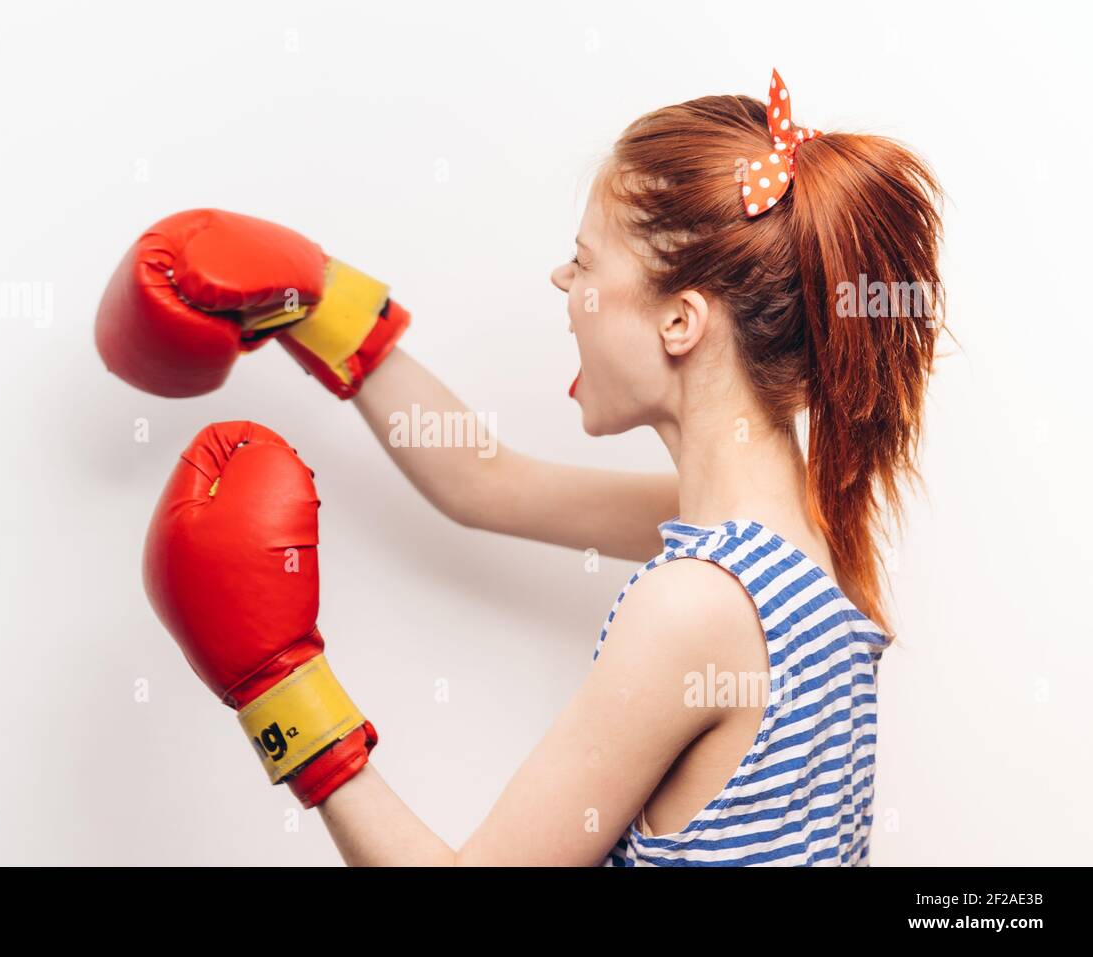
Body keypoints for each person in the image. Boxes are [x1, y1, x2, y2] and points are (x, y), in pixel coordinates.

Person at [103, 69, 944, 866]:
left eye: (585, 262)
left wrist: (279, 691)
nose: (560, 279)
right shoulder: (806, 529)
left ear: (681, 322)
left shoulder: (697, 606)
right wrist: (325, 305)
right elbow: (489, 483)